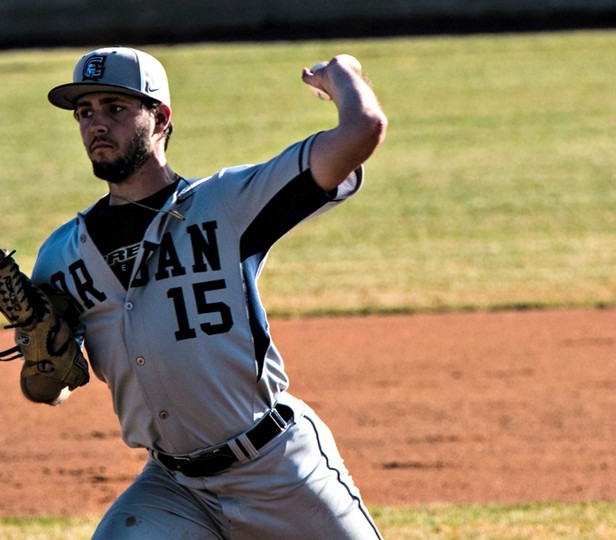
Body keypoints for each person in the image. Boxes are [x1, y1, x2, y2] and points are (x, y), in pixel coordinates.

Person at [28, 47, 387, 539]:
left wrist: (340, 75)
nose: (96, 124)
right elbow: (53, 381)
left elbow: (362, 129)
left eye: (115, 108)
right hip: (174, 487)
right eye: (85, 112)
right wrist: (44, 373)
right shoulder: (61, 257)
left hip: (278, 472)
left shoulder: (227, 205)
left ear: (160, 119)